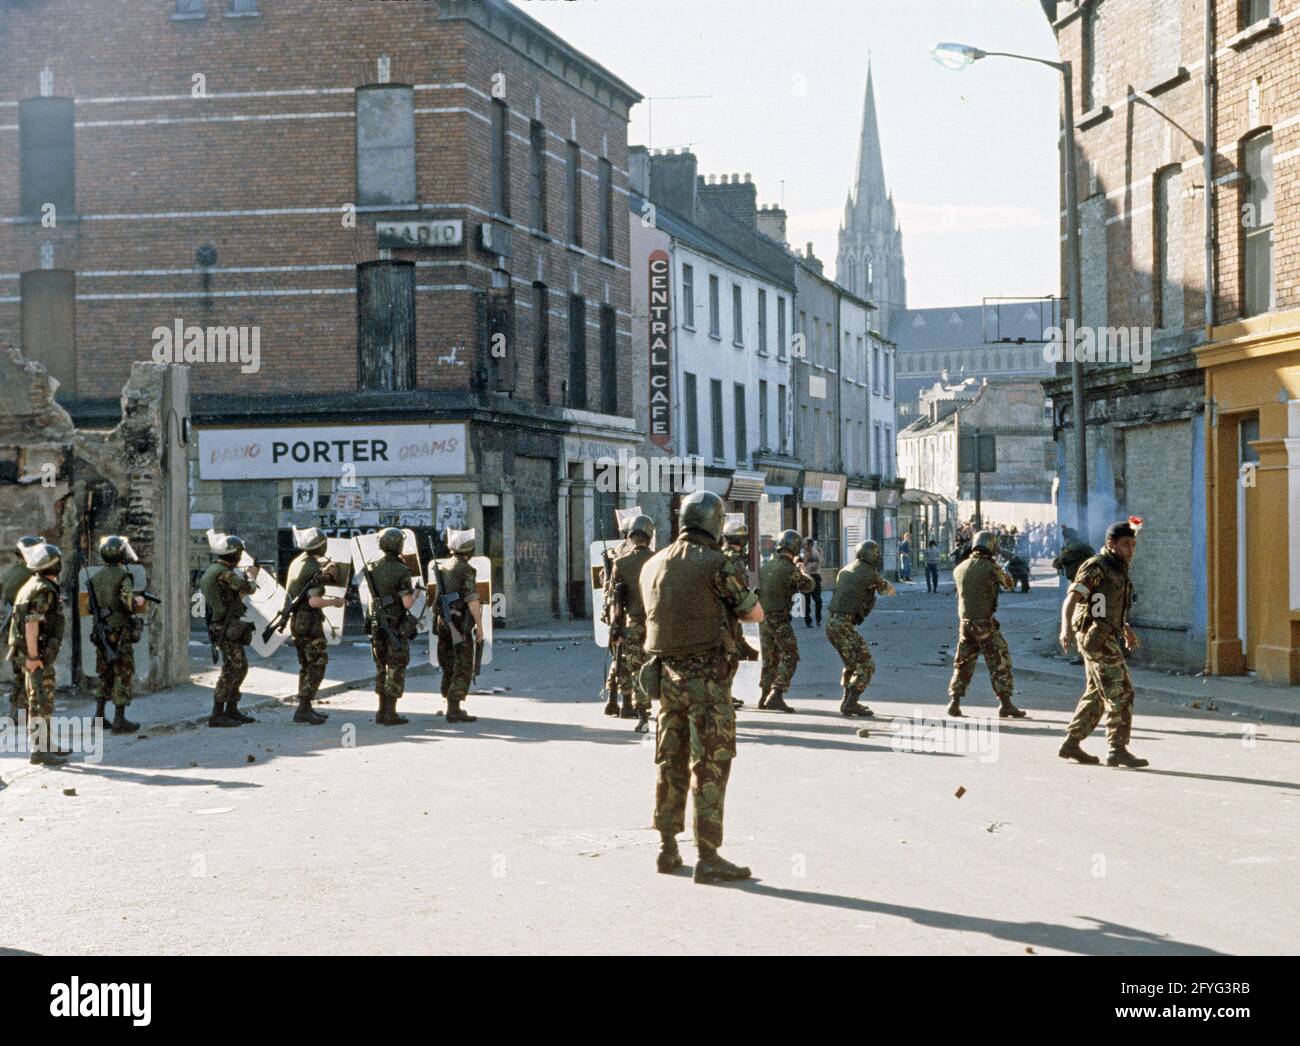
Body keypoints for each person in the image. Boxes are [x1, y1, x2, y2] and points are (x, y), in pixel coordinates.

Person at [639, 490, 762, 883]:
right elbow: (752, 611)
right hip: (706, 681)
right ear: (715, 522)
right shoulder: (716, 564)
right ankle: (708, 856)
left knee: (669, 761)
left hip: (665, 678)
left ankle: (667, 848)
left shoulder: (653, 564)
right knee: (709, 763)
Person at [1058, 520, 1148, 768]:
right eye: (1125, 545)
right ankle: (1117, 749)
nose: (1131, 550)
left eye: (1133, 545)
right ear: (1111, 544)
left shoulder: (1117, 567)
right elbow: (1073, 599)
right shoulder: (1097, 566)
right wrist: (1065, 628)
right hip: (1095, 638)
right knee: (1122, 691)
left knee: (1097, 694)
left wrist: (1126, 630)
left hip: (1105, 633)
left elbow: (1105, 607)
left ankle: (1072, 743)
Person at [947, 530, 1026, 719]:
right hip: (983, 624)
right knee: (999, 659)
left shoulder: (960, 567)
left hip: (965, 624)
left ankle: (954, 701)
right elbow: (1009, 583)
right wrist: (1001, 564)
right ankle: (1005, 703)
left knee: (963, 662)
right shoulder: (990, 567)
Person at [8, 542, 68, 764]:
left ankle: (48, 744)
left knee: (45, 697)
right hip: (36, 654)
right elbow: (32, 624)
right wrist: (33, 657)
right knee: (39, 699)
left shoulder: (33, 584)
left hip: (36, 652)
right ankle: (39, 749)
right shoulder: (42, 589)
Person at [284, 527, 346, 725]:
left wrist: (325, 575)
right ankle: (303, 708)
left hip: (297, 621)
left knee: (306, 665)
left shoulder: (298, 562)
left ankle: (306, 708)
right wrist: (334, 602)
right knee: (318, 665)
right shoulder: (312, 567)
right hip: (309, 621)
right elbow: (313, 601)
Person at [826, 540, 895, 718]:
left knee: (851, 663)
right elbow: (888, 590)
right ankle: (851, 702)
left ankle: (847, 700)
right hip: (844, 625)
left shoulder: (846, 569)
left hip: (832, 624)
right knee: (866, 664)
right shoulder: (870, 574)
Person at [89, 535, 148, 735]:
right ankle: (119, 719)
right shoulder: (123, 576)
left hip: (101, 632)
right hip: (120, 632)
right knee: (123, 674)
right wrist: (137, 601)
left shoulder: (95, 577)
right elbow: (127, 602)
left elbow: (91, 606)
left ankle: (98, 716)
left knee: (104, 673)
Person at [199, 533, 259, 728]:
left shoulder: (216, 570)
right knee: (233, 667)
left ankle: (231, 709)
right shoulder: (224, 573)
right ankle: (217, 713)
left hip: (223, 623)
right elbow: (247, 589)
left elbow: (232, 595)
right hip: (224, 625)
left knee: (239, 666)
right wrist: (252, 576)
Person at [363, 527, 418, 725]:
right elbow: (407, 603)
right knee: (396, 666)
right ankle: (390, 713)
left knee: (380, 666)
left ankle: (380, 711)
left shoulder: (372, 567)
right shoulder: (402, 570)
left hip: (377, 624)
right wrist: (417, 594)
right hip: (395, 625)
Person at [758, 529, 816, 712]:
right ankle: (776, 693)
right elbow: (809, 586)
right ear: (795, 548)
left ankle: (763, 696)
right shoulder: (789, 569)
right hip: (779, 619)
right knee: (790, 656)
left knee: (769, 659)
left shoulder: (765, 567)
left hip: (762, 618)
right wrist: (800, 567)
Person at [608, 514, 655, 728]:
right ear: (650, 535)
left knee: (637, 667)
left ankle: (642, 714)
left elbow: (614, 598)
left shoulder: (621, 563)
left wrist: (614, 627)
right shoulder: (659, 560)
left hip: (633, 623)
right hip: (657, 623)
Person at [433, 527, 484, 724]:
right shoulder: (467, 570)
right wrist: (479, 625)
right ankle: (454, 709)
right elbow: (471, 599)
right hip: (459, 624)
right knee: (463, 665)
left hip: (443, 622)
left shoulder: (443, 566)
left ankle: (449, 703)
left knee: (448, 663)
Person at [1, 535, 41, 721]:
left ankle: (15, 710)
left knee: (19, 671)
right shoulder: (30, 575)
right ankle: (24, 711)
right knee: (29, 670)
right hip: (25, 627)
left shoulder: (9, 573)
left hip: (12, 629)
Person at [599, 515, 635, 714]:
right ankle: (628, 703)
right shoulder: (629, 556)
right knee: (629, 659)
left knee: (617, 657)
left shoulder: (613, 554)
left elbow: (605, 583)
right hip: (628, 613)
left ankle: (612, 699)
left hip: (612, 611)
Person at [720, 519, 755, 711]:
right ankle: (724, 695)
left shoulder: (719, 555)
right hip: (730, 615)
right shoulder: (737, 560)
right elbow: (739, 589)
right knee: (731, 656)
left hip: (718, 614)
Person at [801, 539, 823, 627]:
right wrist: (807, 555)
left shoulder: (817, 551)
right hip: (806, 578)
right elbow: (802, 565)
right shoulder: (802, 553)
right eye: (807, 545)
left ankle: (818, 620)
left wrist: (817, 555)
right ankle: (808, 621)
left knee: (818, 600)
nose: (809, 546)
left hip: (816, 576)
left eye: (810, 545)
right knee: (806, 601)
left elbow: (821, 562)